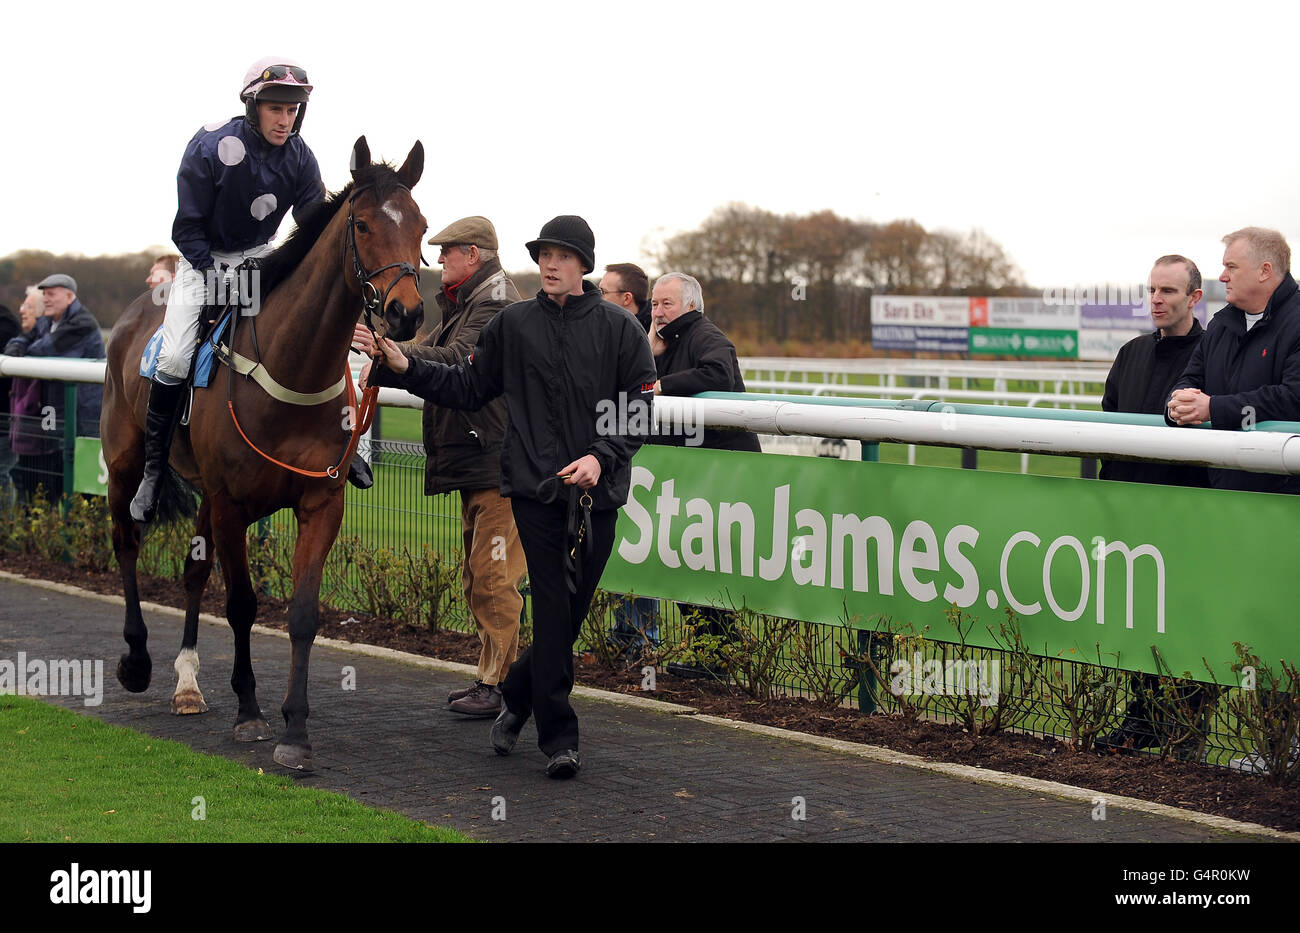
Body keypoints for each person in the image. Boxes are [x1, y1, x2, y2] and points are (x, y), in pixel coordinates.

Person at [365, 215, 657, 778]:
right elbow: (468, 386)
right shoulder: (515, 324)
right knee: (552, 604)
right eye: (545, 254)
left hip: (599, 493)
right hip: (533, 489)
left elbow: (638, 408)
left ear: (583, 266)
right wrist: (403, 365)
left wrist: (601, 456)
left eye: (563, 256)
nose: (550, 264)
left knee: (566, 619)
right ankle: (559, 739)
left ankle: (518, 697)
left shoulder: (620, 331)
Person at [130, 57, 372, 525]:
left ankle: (348, 445)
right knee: (177, 356)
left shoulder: (300, 156)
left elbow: (311, 222)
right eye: (276, 109)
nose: (285, 120)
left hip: (260, 262)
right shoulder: (210, 145)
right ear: (253, 106)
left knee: (318, 337)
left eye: (293, 111)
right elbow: (187, 228)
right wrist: (212, 274)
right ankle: (155, 471)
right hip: (202, 262)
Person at [353, 216, 526, 717]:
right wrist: (388, 350)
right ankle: (490, 679)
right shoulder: (468, 301)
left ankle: (503, 688)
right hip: (478, 459)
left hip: (498, 462)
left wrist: (392, 355)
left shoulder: (495, 303)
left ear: (473, 255)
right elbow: (431, 350)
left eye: (446, 252)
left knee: (493, 579)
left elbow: (455, 358)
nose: (437, 261)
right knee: (479, 579)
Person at [1094, 255, 1208, 755]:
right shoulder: (1132, 352)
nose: (1157, 300)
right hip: (1132, 510)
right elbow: (1109, 425)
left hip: (1188, 516)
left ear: (1194, 299)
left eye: (1169, 292)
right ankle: (1139, 721)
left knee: (1187, 622)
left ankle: (1184, 731)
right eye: (1152, 290)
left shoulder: (1212, 354)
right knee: (1139, 620)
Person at [644, 272, 762, 679]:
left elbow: (718, 375)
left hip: (723, 468)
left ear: (691, 306)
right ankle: (712, 652)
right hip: (692, 469)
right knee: (684, 560)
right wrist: (651, 350)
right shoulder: (665, 340)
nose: (658, 311)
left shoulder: (706, 335)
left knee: (703, 562)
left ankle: (721, 653)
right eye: (655, 303)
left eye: (667, 304)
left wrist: (661, 385)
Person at [1167, 227, 1300, 491]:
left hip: (1284, 497)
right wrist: (1177, 403)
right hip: (1221, 489)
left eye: (1231, 267)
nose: (1222, 276)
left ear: (1264, 271)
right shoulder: (1221, 324)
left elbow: (1293, 398)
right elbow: (1190, 378)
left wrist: (1213, 409)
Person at [597, 262, 660, 658]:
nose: (595, 295)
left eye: (604, 291)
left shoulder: (635, 334)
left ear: (627, 299)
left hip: (633, 461)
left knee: (640, 556)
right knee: (623, 554)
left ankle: (640, 642)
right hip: (619, 461)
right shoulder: (622, 330)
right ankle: (626, 638)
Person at [5, 275, 106, 501]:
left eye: (52, 294)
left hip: (82, 421)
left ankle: (86, 534)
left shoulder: (82, 323)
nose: (46, 300)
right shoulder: (45, 322)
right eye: (44, 295)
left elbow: (44, 350)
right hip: (58, 419)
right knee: (53, 488)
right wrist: (17, 350)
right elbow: (18, 341)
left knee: (85, 493)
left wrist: (24, 350)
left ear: (69, 296)